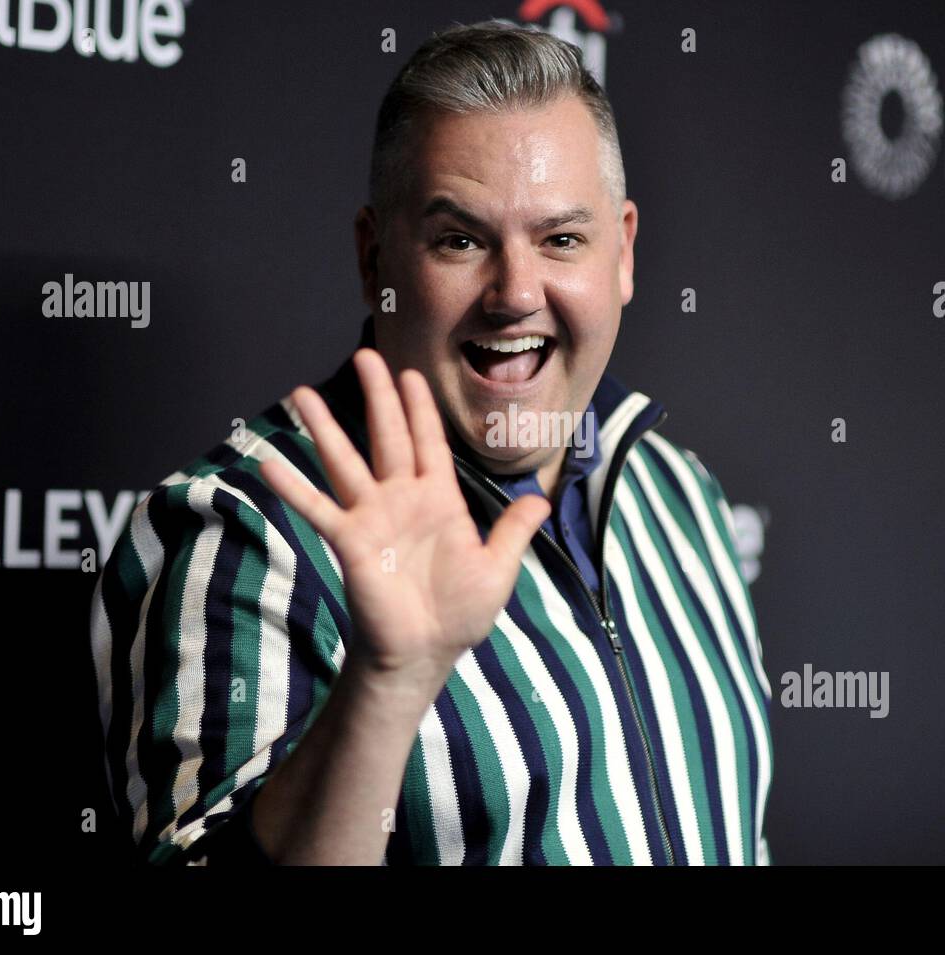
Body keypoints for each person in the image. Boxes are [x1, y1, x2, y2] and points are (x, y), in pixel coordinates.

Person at [90, 19, 773, 866]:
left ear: (623, 252)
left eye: (562, 239)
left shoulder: (680, 493)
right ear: (375, 256)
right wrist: (384, 684)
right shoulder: (240, 532)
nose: (516, 293)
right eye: (461, 240)